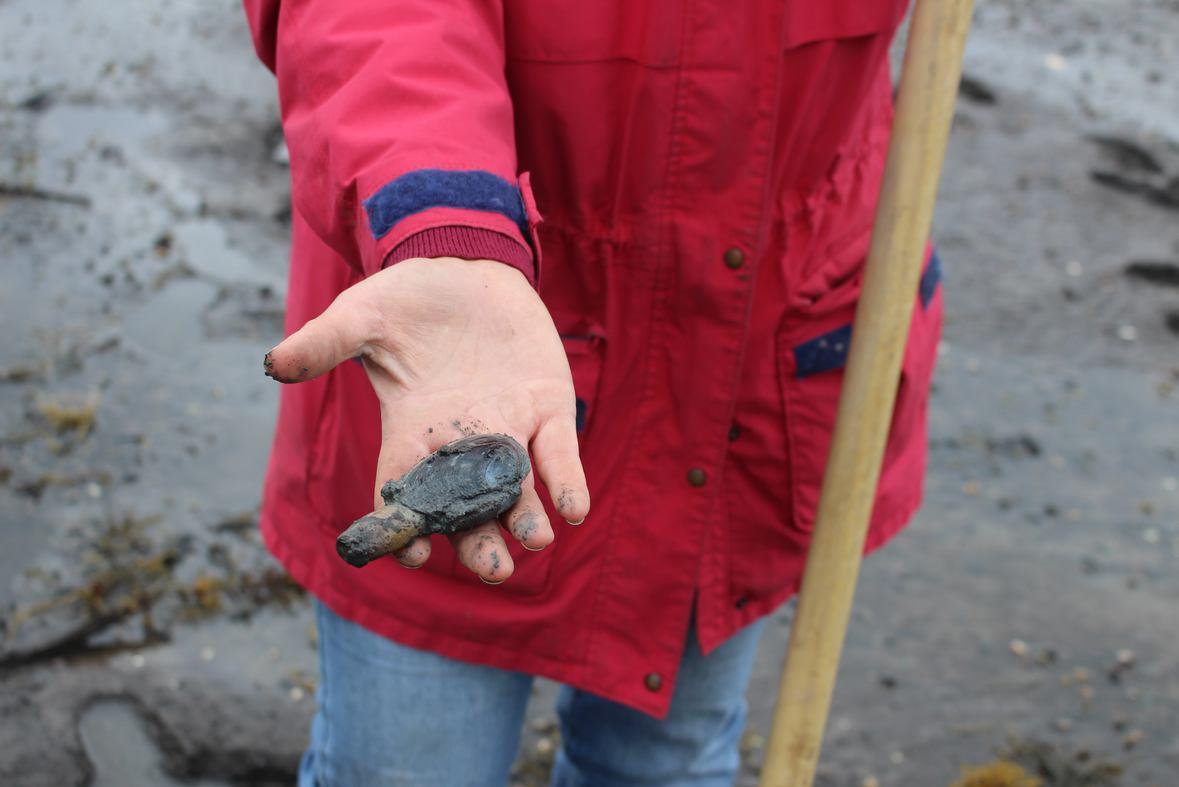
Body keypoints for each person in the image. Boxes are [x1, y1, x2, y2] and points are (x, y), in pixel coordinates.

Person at [242, 0, 943, 784]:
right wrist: (444, 225)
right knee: (403, 766)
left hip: (747, 372)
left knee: (663, 761)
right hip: (450, 337)